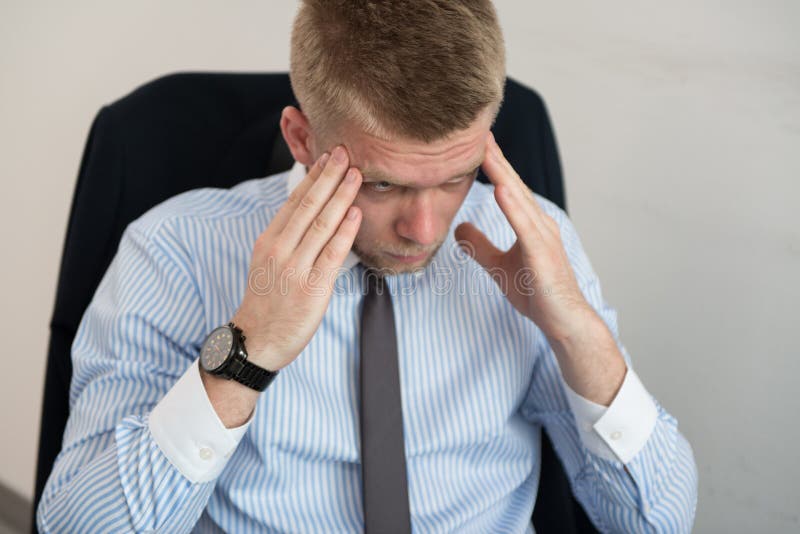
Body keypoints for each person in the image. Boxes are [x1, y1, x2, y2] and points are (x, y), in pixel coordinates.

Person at [37, 1, 698, 532]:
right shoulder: (175, 250)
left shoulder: (529, 243)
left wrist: (577, 332)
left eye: (458, 176)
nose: (425, 228)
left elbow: (657, 520)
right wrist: (249, 347)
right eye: (382, 184)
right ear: (302, 138)